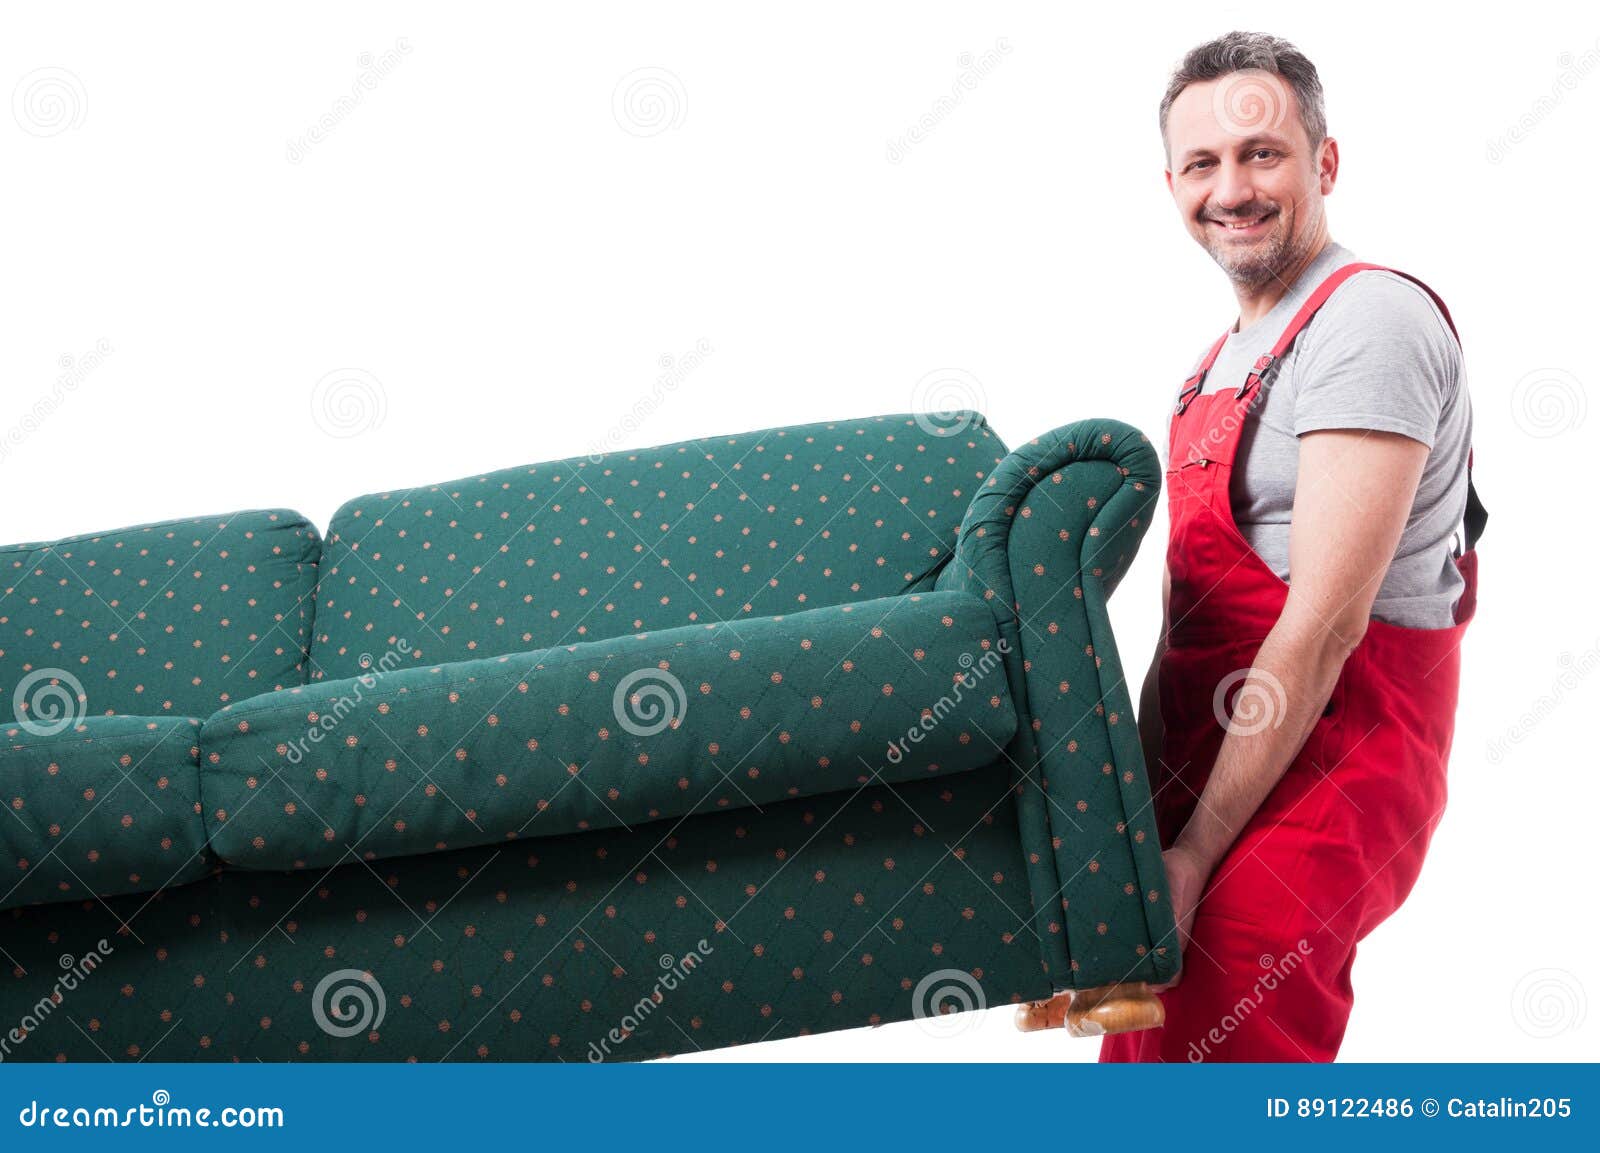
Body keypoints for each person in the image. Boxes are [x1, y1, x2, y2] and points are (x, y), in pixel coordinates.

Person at [1099, 31, 1486, 1062]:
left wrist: (1191, 852)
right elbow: (1185, 629)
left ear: (1325, 162)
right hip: (1213, 763)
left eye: (1261, 153)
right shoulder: (1210, 367)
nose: (1231, 189)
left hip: (1334, 762)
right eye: (1202, 163)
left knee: (1226, 1018)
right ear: (1172, 186)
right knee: (1143, 1070)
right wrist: (1132, 826)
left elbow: (1321, 627)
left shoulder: (1369, 322)